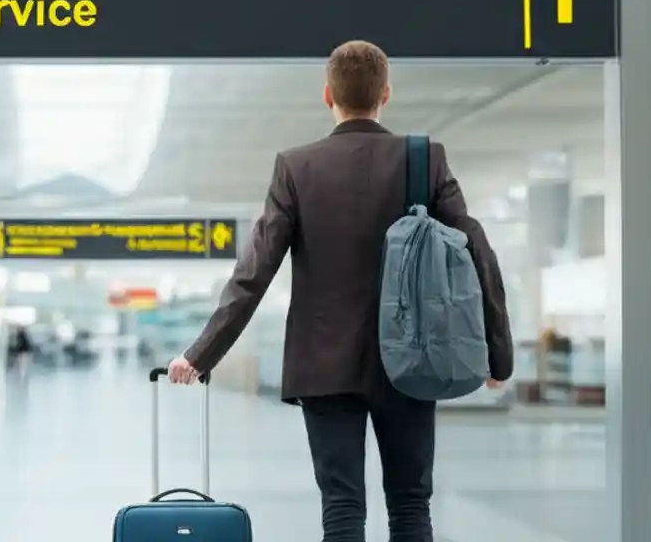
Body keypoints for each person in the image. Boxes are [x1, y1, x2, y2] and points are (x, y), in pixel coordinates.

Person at [167, 41, 513, 542]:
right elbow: (478, 252)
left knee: (343, 509)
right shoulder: (425, 159)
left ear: (328, 96)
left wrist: (201, 355)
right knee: (412, 507)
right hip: (413, 361)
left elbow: (255, 270)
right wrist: (497, 358)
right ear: (385, 94)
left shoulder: (297, 167)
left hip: (324, 366)